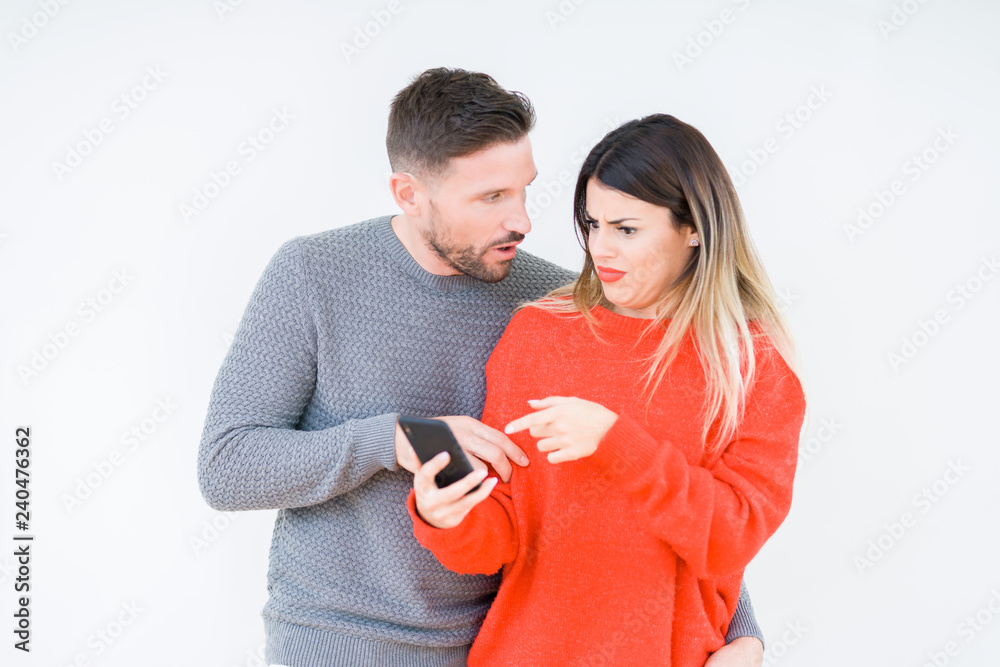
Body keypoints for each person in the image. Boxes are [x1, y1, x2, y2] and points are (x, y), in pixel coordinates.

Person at [198, 68, 766, 667]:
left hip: (499, 643)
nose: (521, 220)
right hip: (342, 640)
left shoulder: (552, 303)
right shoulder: (313, 275)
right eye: (491, 198)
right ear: (409, 195)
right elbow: (228, 467)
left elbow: (646, 475)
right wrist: (392, 438)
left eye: (524, 190)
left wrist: (739, 628)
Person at [408, 113, 807, 666]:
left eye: (627, 229)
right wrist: (445, 515)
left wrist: (618, 444)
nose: (602, 249)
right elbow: (504, 536)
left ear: (694, 228)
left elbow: (731, 539)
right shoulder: (539, 334)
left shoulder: (751, 364)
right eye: (593, 225)